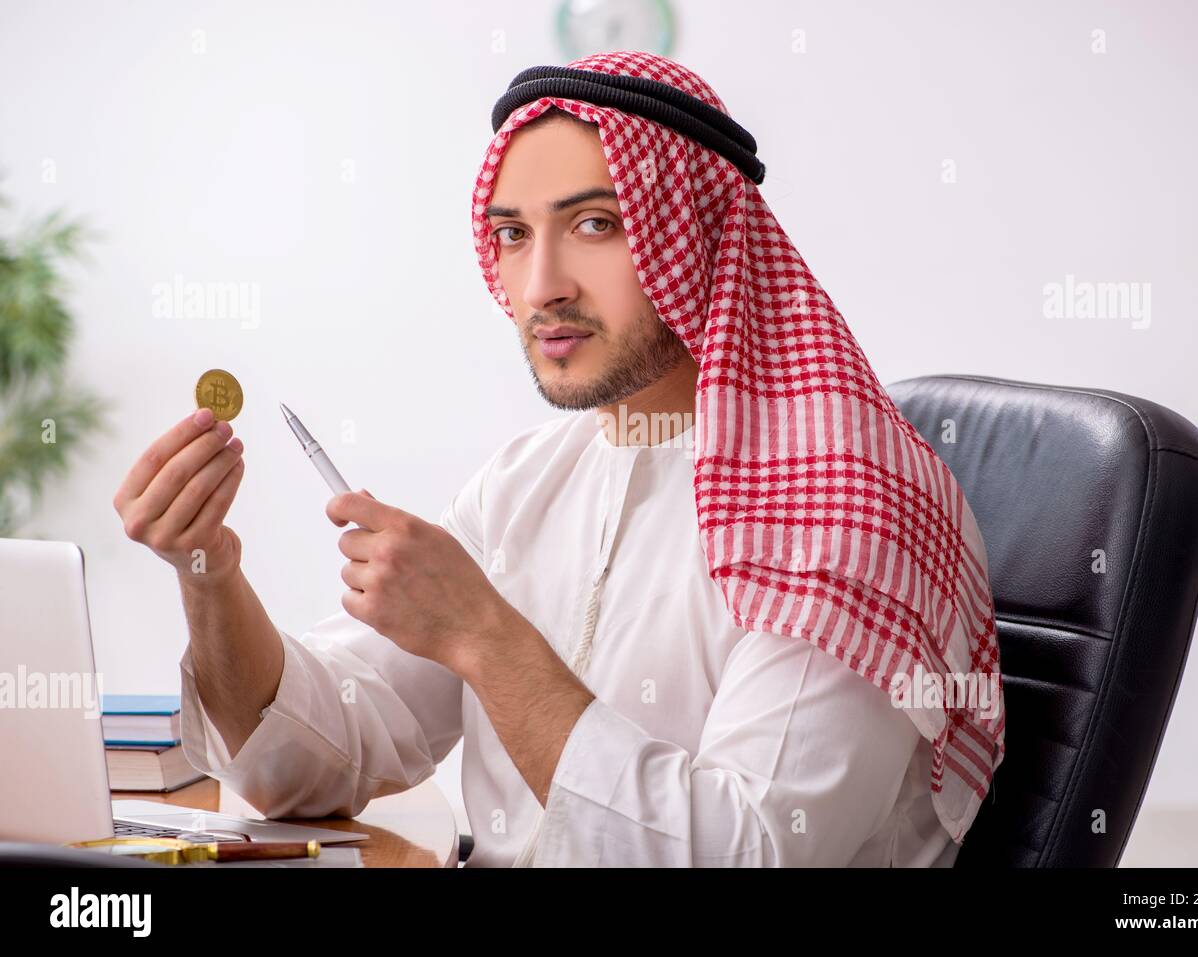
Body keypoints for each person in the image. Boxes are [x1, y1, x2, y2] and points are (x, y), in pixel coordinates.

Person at [113, 51, 1003, 867]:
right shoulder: (525, 482)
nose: (541, 286)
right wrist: (209, 575)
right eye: (513, 235)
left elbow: (746, 853)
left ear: (696, 235)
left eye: (596, 224)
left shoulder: (848, 506)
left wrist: (483, 637)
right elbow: (307, 766)